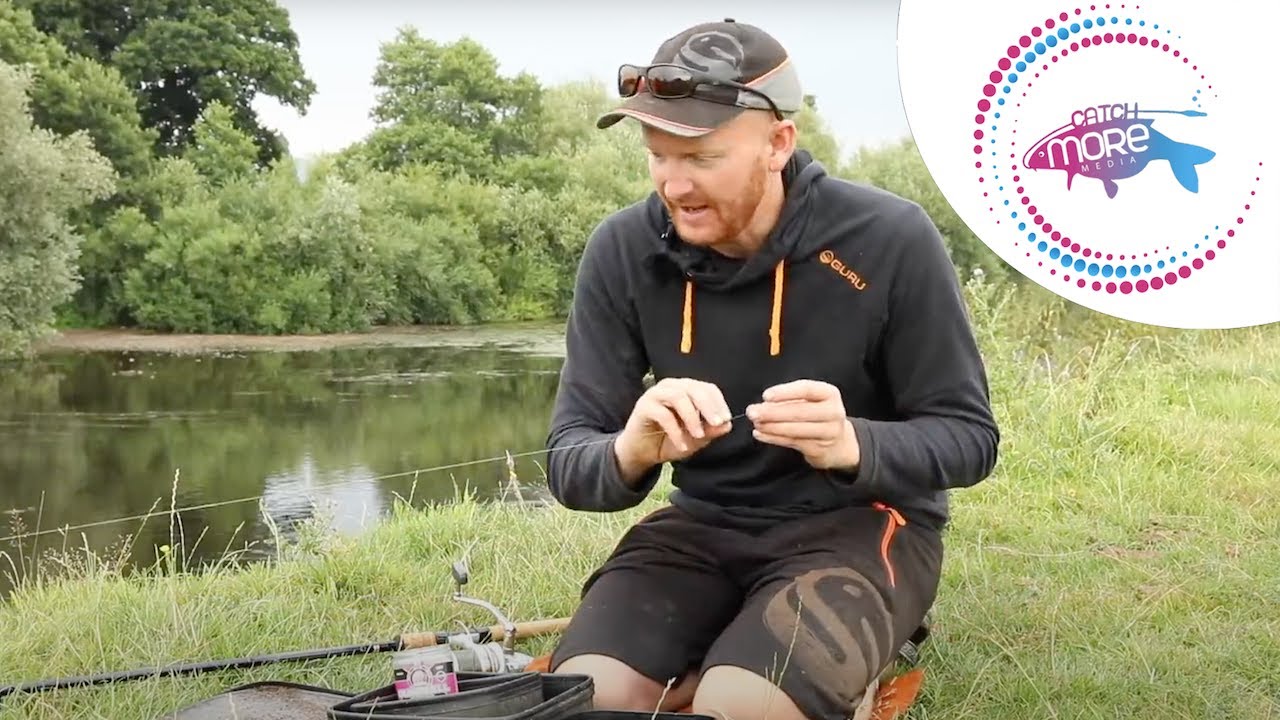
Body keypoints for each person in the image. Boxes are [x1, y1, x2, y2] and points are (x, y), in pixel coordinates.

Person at [542, 17, 1000, 720]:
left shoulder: (889, 239)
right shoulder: (622, 252)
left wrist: (855, 443)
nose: (674, 183)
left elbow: (969, 439)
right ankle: (725, 654)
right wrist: (630, 450)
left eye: (700, 157)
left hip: (862, 524)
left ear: (777, 143)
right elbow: (570, 459)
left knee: (740, 705)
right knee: (585, 698)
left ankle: (788, 670)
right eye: (658, 154)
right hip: (701, 526)